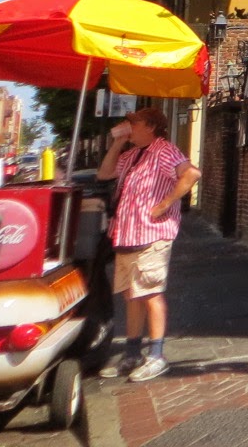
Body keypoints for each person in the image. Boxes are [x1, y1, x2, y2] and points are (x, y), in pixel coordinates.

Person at [95, 106, 201, 382]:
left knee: (151, 293)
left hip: (152, 234)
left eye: (135, 122)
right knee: (132, 294)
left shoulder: (164, 150)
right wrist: (117, 142)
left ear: (151, 126)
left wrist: (165, 203)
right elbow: (105, 174)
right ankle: (132, 353)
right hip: (127, 235)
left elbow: (191, 174)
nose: (129, 126)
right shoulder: (132, 155)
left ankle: (157, 355)